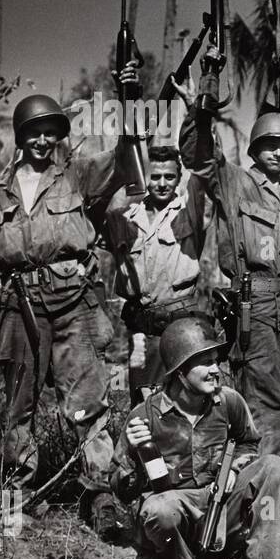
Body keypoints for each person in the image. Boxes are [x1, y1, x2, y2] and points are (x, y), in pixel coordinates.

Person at [0, 74, 141, 525]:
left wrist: (128, 97)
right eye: (34, 131)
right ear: (20, 136)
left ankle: (102, 493)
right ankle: (17, 493)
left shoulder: (78, 173)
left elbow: (125, 157)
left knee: (86, 400)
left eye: (51, 131)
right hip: (17, 306)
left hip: (73, 302)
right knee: (18, 403)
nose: (43, 139)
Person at [178, 97, 280, 545]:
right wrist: (199, 115)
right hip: (254, 306)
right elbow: (200, 157)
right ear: (255, 148)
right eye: (269, 145)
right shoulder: (235, 183)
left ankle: (254, 499)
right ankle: (273, 512)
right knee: (269, 408)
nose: (278, 153)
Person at [110, 316, 280, 559]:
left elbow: (248, 444)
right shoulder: (145, 416)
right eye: (204, 363)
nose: (215, 370)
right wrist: (131, 453)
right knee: (158, 509)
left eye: (216, 361)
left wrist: (234, 467)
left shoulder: (229, 402)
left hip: (221, 508)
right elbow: (120, 488)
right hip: (176, 520)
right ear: (179, 372)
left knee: (274, 467)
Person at [105, 145, 208, 402]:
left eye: (169, 177)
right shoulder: (125, 217)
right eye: (154, 176)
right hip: (141, 329)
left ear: (179, 177)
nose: (162, 184)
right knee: (144, 406)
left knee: (183, 402)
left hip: (181, 327)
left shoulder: (190, 213)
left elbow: (203, 175)